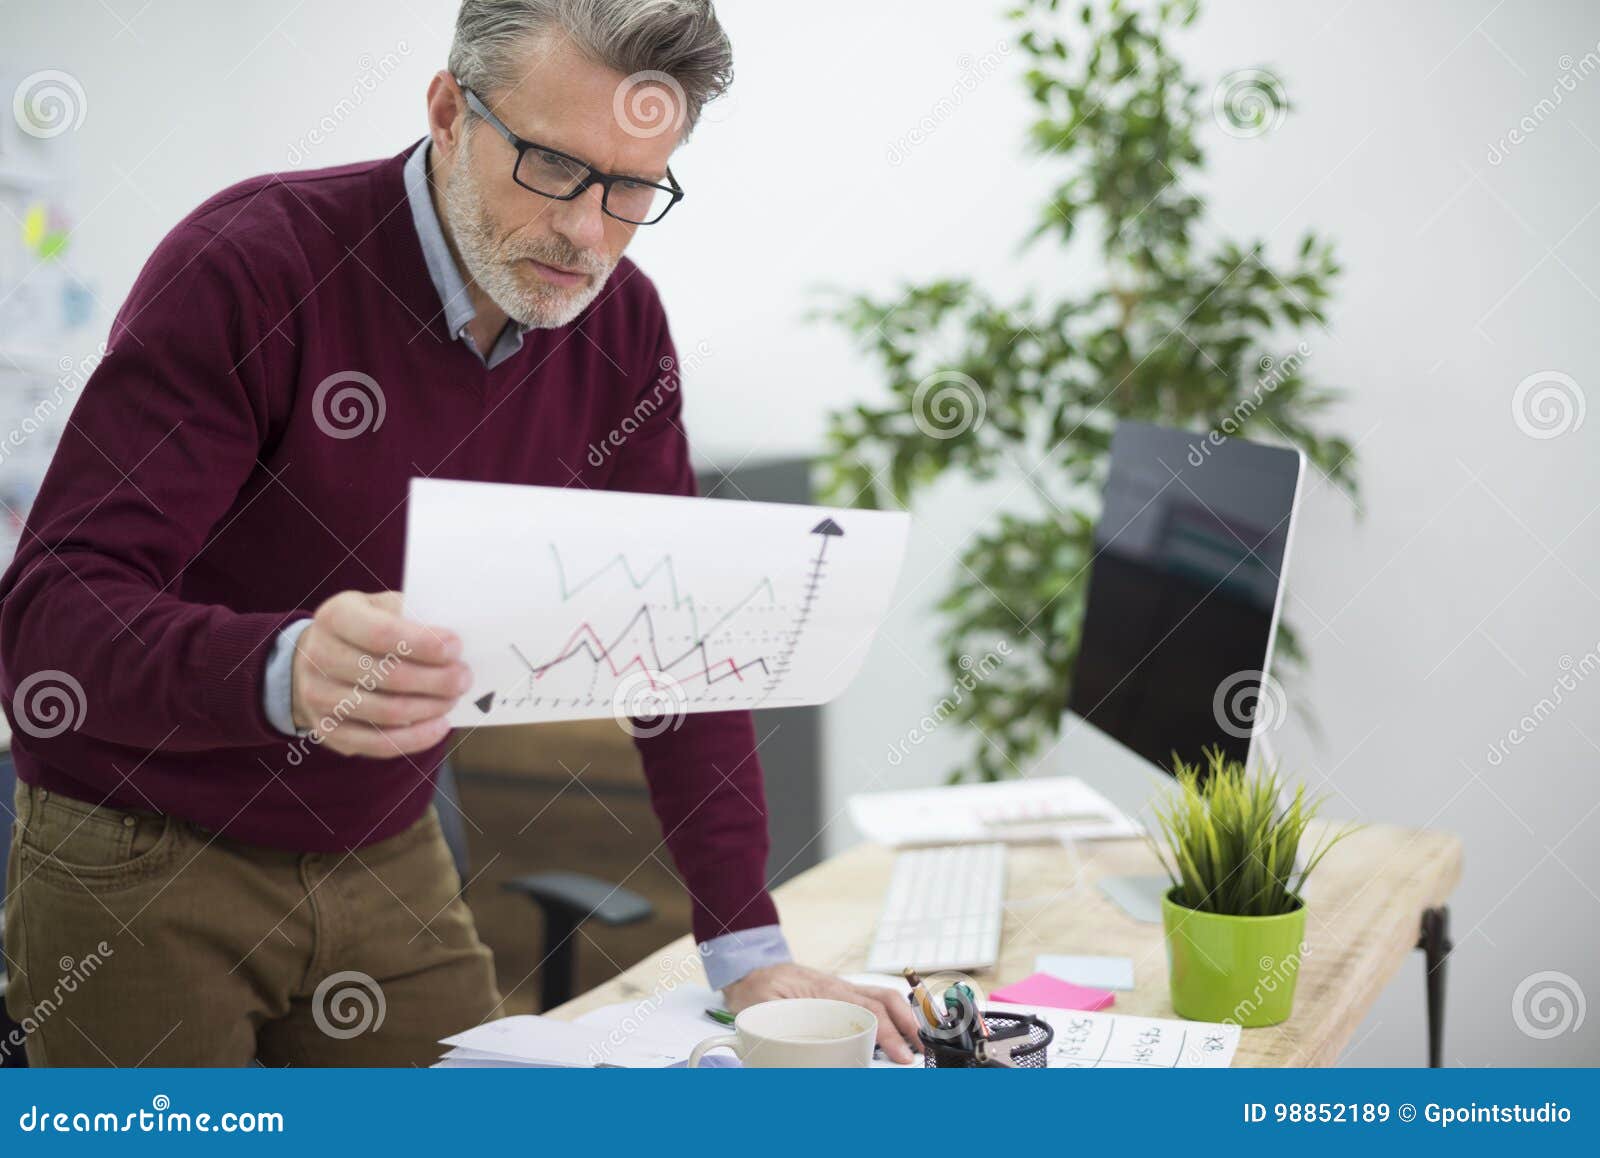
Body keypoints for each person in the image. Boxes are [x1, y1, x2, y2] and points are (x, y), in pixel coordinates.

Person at [0, 0, 920, 1066]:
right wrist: (280, 667)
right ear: (448, 110)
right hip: (145, 847)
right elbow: (48, 619)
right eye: (553, 167)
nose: (588, 232)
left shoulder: (618, 328)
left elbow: (676, 637)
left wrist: (744, 945)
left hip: (382, 848)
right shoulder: (252, 265)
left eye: (632, 187)